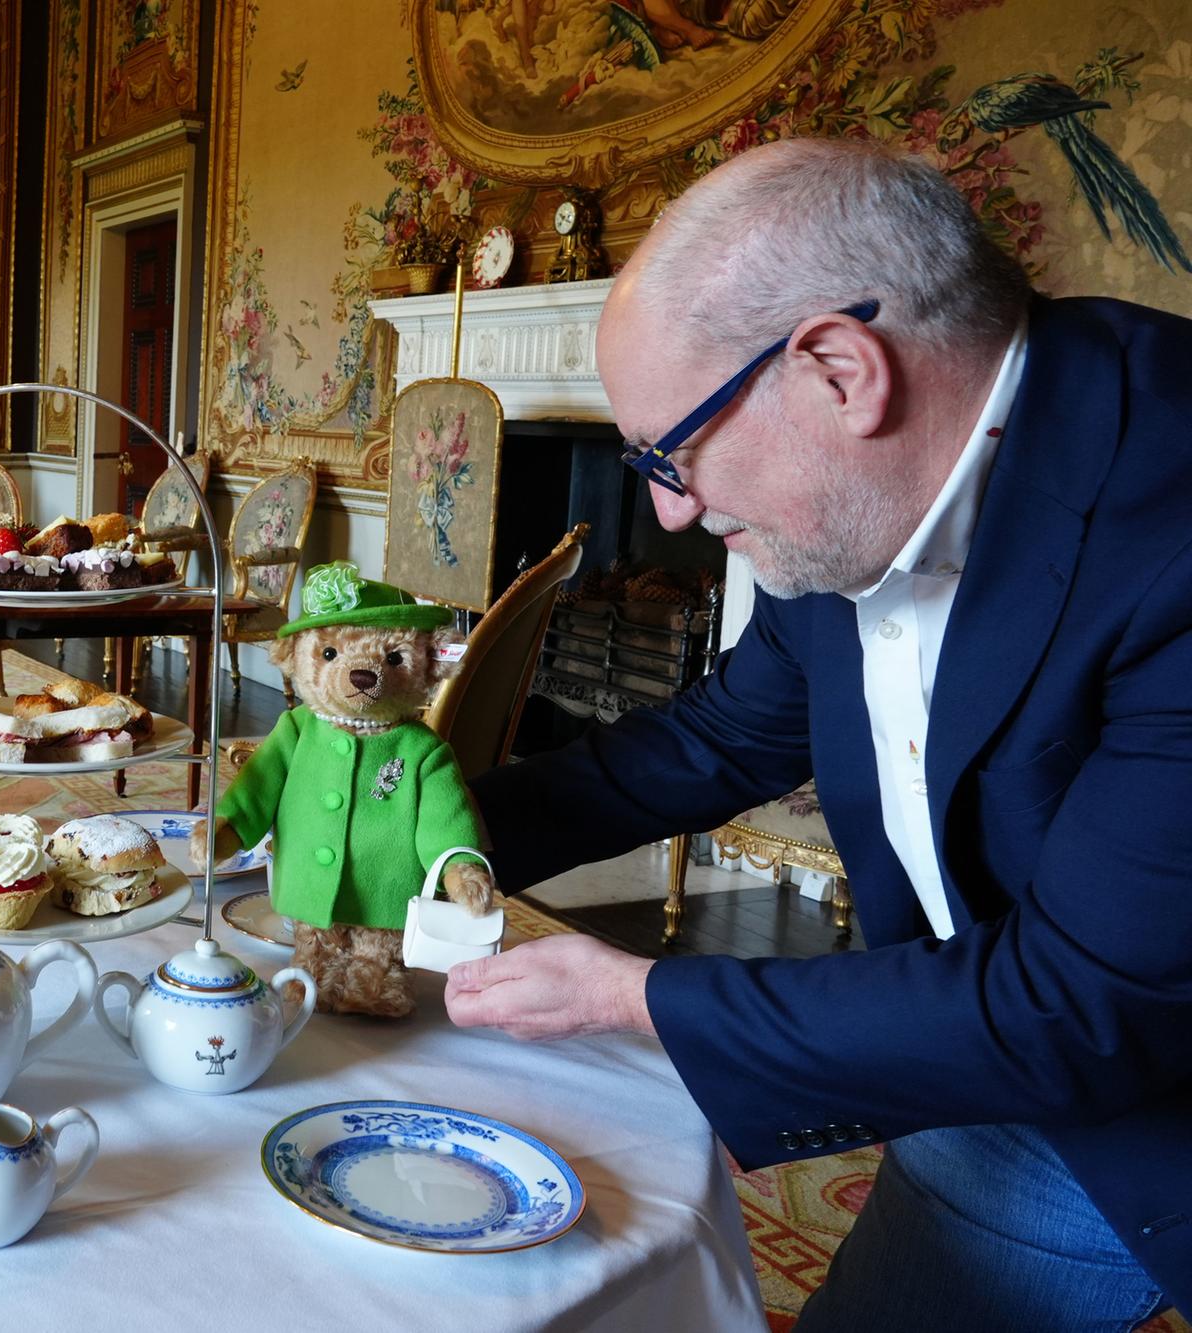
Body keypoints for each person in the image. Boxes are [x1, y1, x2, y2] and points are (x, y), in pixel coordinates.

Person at [450, 136, 1192, 1331]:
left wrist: (641, 997)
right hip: (993, 1063)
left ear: (840, 372)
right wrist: (436, 828)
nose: (666, 512)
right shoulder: (851, 507)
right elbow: (712, 742)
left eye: (670, 454)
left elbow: (1079, 1003)